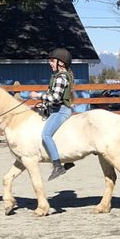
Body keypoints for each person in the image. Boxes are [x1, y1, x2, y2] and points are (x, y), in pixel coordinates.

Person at [28, 48, 76, 181]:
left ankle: (57, 165)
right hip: (55, 110)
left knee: (46, 134)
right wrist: (41, 105)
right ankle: (68, 160)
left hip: (60, 111)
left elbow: (55, 98)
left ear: (61, 63)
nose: (50, 63)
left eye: (52, 60)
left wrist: (37, 95)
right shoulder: (57, 76)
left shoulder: (61, 77)